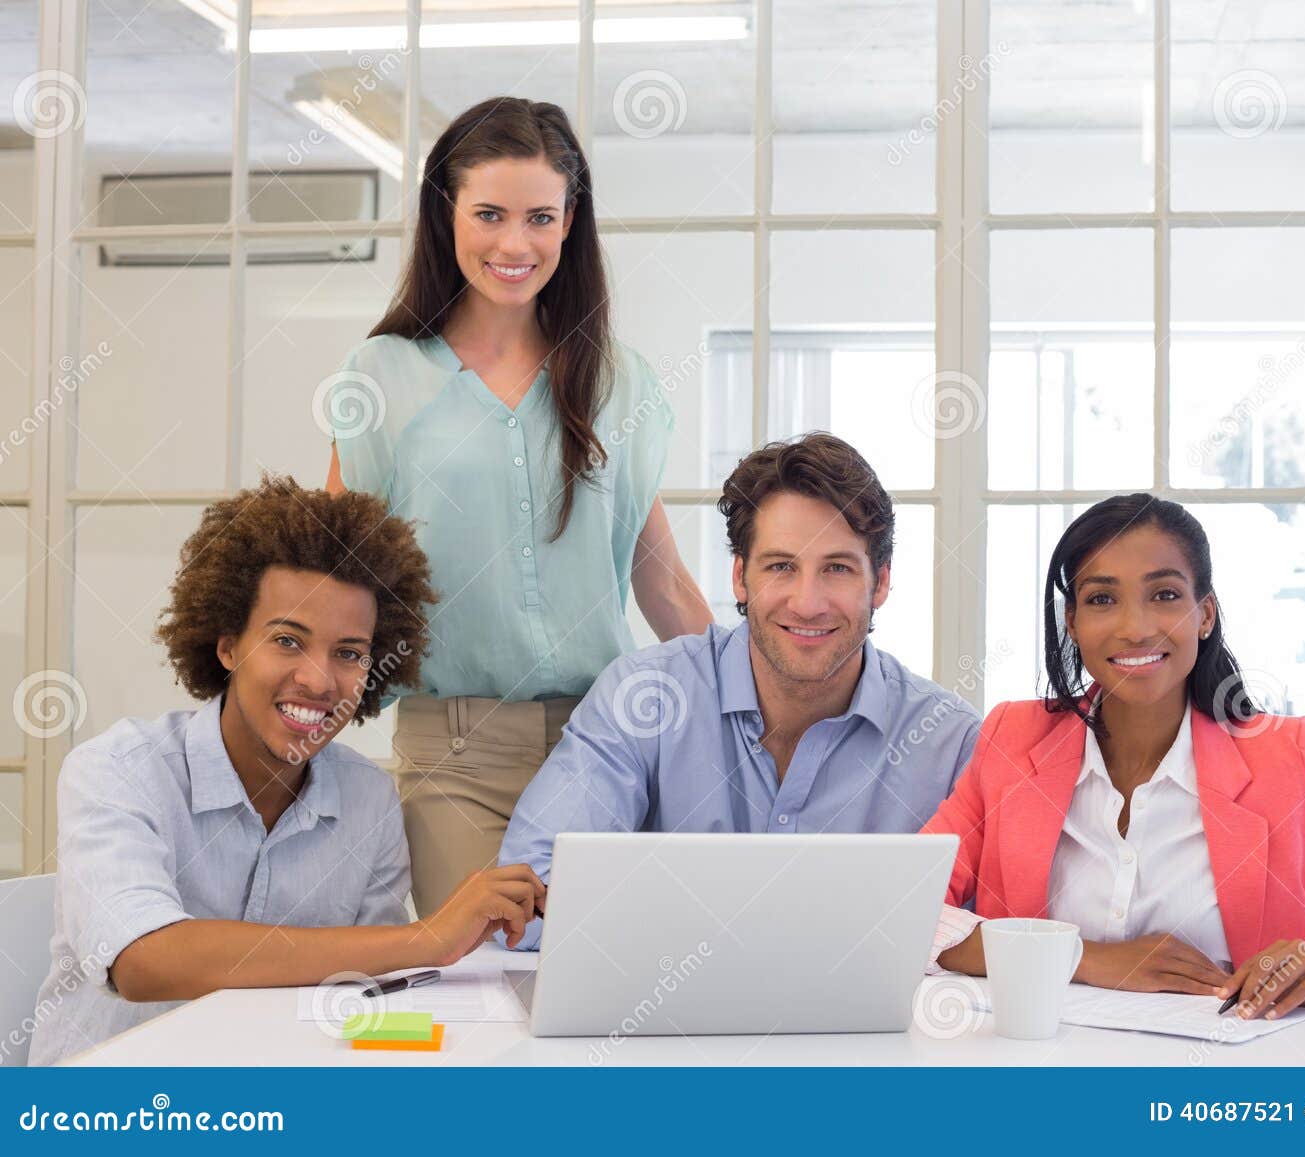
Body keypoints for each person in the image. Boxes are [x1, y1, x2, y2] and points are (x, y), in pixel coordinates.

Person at [325, 98, 711, 915]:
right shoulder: (381, 376)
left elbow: (661, 581)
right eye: (490, 214)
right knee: (483, 991)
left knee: (603, 989)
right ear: (446, 214)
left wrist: (762, 702)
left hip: (606, 742)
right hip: (455, 754)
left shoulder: (617, 380)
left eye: (541, 216)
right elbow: (334, 579)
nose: (515, 244)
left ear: (571, 221)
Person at [925, 493, 1305, 1019]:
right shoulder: (1014, 741)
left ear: (1204, 615)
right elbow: (901, 917)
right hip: (1040, 1070)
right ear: (1072, 622)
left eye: (1165, 595)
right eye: (1103, 598)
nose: (1136, 626)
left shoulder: (1284, 761)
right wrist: (1087, 958)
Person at [29, 477, 543, 1065]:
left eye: (348, 653)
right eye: (287, 641)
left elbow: (365, 983)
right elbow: (144, 960)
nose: (320, 680)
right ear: (227, 646)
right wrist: (424, 940)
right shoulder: (117, 771)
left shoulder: (368, 801)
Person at [499, 434, 983, 946]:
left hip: (864, 1026)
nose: (807, 602)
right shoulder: (646, 696)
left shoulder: (948, 742)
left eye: (837, 568)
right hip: (663, 1014)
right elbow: (526, 900)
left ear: (880, 582)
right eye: (781, 567)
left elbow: (979, 934)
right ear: (740, 577)